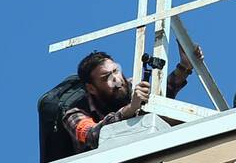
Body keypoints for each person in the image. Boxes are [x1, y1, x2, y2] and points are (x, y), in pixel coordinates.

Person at [61, 45, 200, 154]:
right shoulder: (75, 112)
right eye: (105, 78)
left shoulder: (132, 86)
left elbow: (163, 94)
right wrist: (129, 110)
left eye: (115, 71)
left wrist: (184, 67)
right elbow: (91, 135)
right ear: (91, 88)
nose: (116, 79)